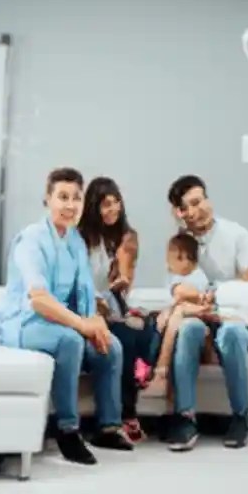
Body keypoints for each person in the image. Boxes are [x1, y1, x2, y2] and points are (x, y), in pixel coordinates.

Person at [0, 168, 133, 465]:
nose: (70, 205)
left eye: (76, 198)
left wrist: (94, 320)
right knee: (71, 340)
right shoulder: (31, 240)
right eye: (63, 197)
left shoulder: (76, 242)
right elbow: (40, 299)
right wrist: (82, 325)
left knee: (111, 346)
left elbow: (84, 292)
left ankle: (108, 426)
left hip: (63, 320)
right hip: (24, 323)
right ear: (48, 200)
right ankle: (67, 430)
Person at [164, 174, 248, 451]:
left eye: (199, 201)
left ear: (207, 199)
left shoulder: (236, 234)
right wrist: (201, 301)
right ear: (180, 212)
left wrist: (217, 293)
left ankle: (240, 417)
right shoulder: (180, 244)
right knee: (188, 330)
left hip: (235, 316)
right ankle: (184, 417)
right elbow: (177, 290)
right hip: (199, 315)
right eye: (187, 207)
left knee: (232, 333)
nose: (195, 211)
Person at [79, 176, 151, 443]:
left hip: (113, 304)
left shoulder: (127, 237)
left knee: (136, 330)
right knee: (123, 335)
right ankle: (125, 415)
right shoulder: (80, 238)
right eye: (105, 205)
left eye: (116, 203)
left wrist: (120, 279)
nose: (113, 209)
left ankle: (127, 413)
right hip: (87, 306)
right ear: (93, 207)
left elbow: (124, 279)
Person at [151, 233, 217, 392]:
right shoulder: (180, 276)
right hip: (194, 315)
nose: (168, 265)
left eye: (171, 260)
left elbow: (183, 292)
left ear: (184, 258)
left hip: (200, 321)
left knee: (175, 314)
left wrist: (172, 308)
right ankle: (156, 367)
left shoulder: (195, 277)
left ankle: (161, 369)